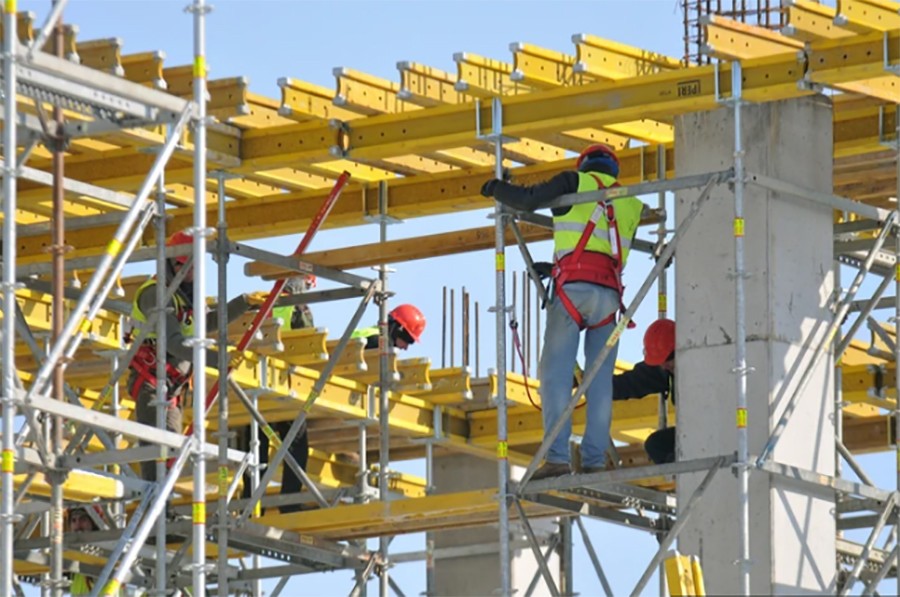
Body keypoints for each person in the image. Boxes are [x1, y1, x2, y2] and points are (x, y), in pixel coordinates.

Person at [481, 144, 645, 479]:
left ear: (584, 166)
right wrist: (556, 266)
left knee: (556, 377)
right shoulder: (632, 202)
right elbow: (601, 246)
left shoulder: (575, 182)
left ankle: (557, 457)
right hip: (609, 299)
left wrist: (496, 188)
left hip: (573, 293)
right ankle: (595, 461)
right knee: (600, 383)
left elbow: (528, 200)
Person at [128, 230, 254, 482]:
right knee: (159, 456)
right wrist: (218, 360)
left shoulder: (186, 295)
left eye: (195, 267)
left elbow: (202, 322)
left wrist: (243, 303)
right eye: (186, 266)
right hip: (152, 384)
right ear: (172, 265)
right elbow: (175, 343)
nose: (192, 273)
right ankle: (157, 511)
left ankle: (164, 509)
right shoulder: (155, 293)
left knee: (172, 455)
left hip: (172, 388)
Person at [242, 275, 315, 514]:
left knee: (256, 443)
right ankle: (289, 502)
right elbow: (307, 345)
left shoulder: (257, 302)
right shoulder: (297, 307)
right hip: (283, 385)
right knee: (296, 444)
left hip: (252, 383)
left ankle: (250, 502)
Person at [613, 318, 676, 464]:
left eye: (668, 359)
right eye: (660, 362)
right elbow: (628, 384)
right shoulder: (663, 370)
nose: (665, 366)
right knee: (657, 444)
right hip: (692, 432)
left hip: (723, 428)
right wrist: (591, 384)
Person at [352, 303, 426, 351]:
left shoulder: (370, 333)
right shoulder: (380, 343)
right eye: (408, 340)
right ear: (399, 331)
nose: (406, 348)